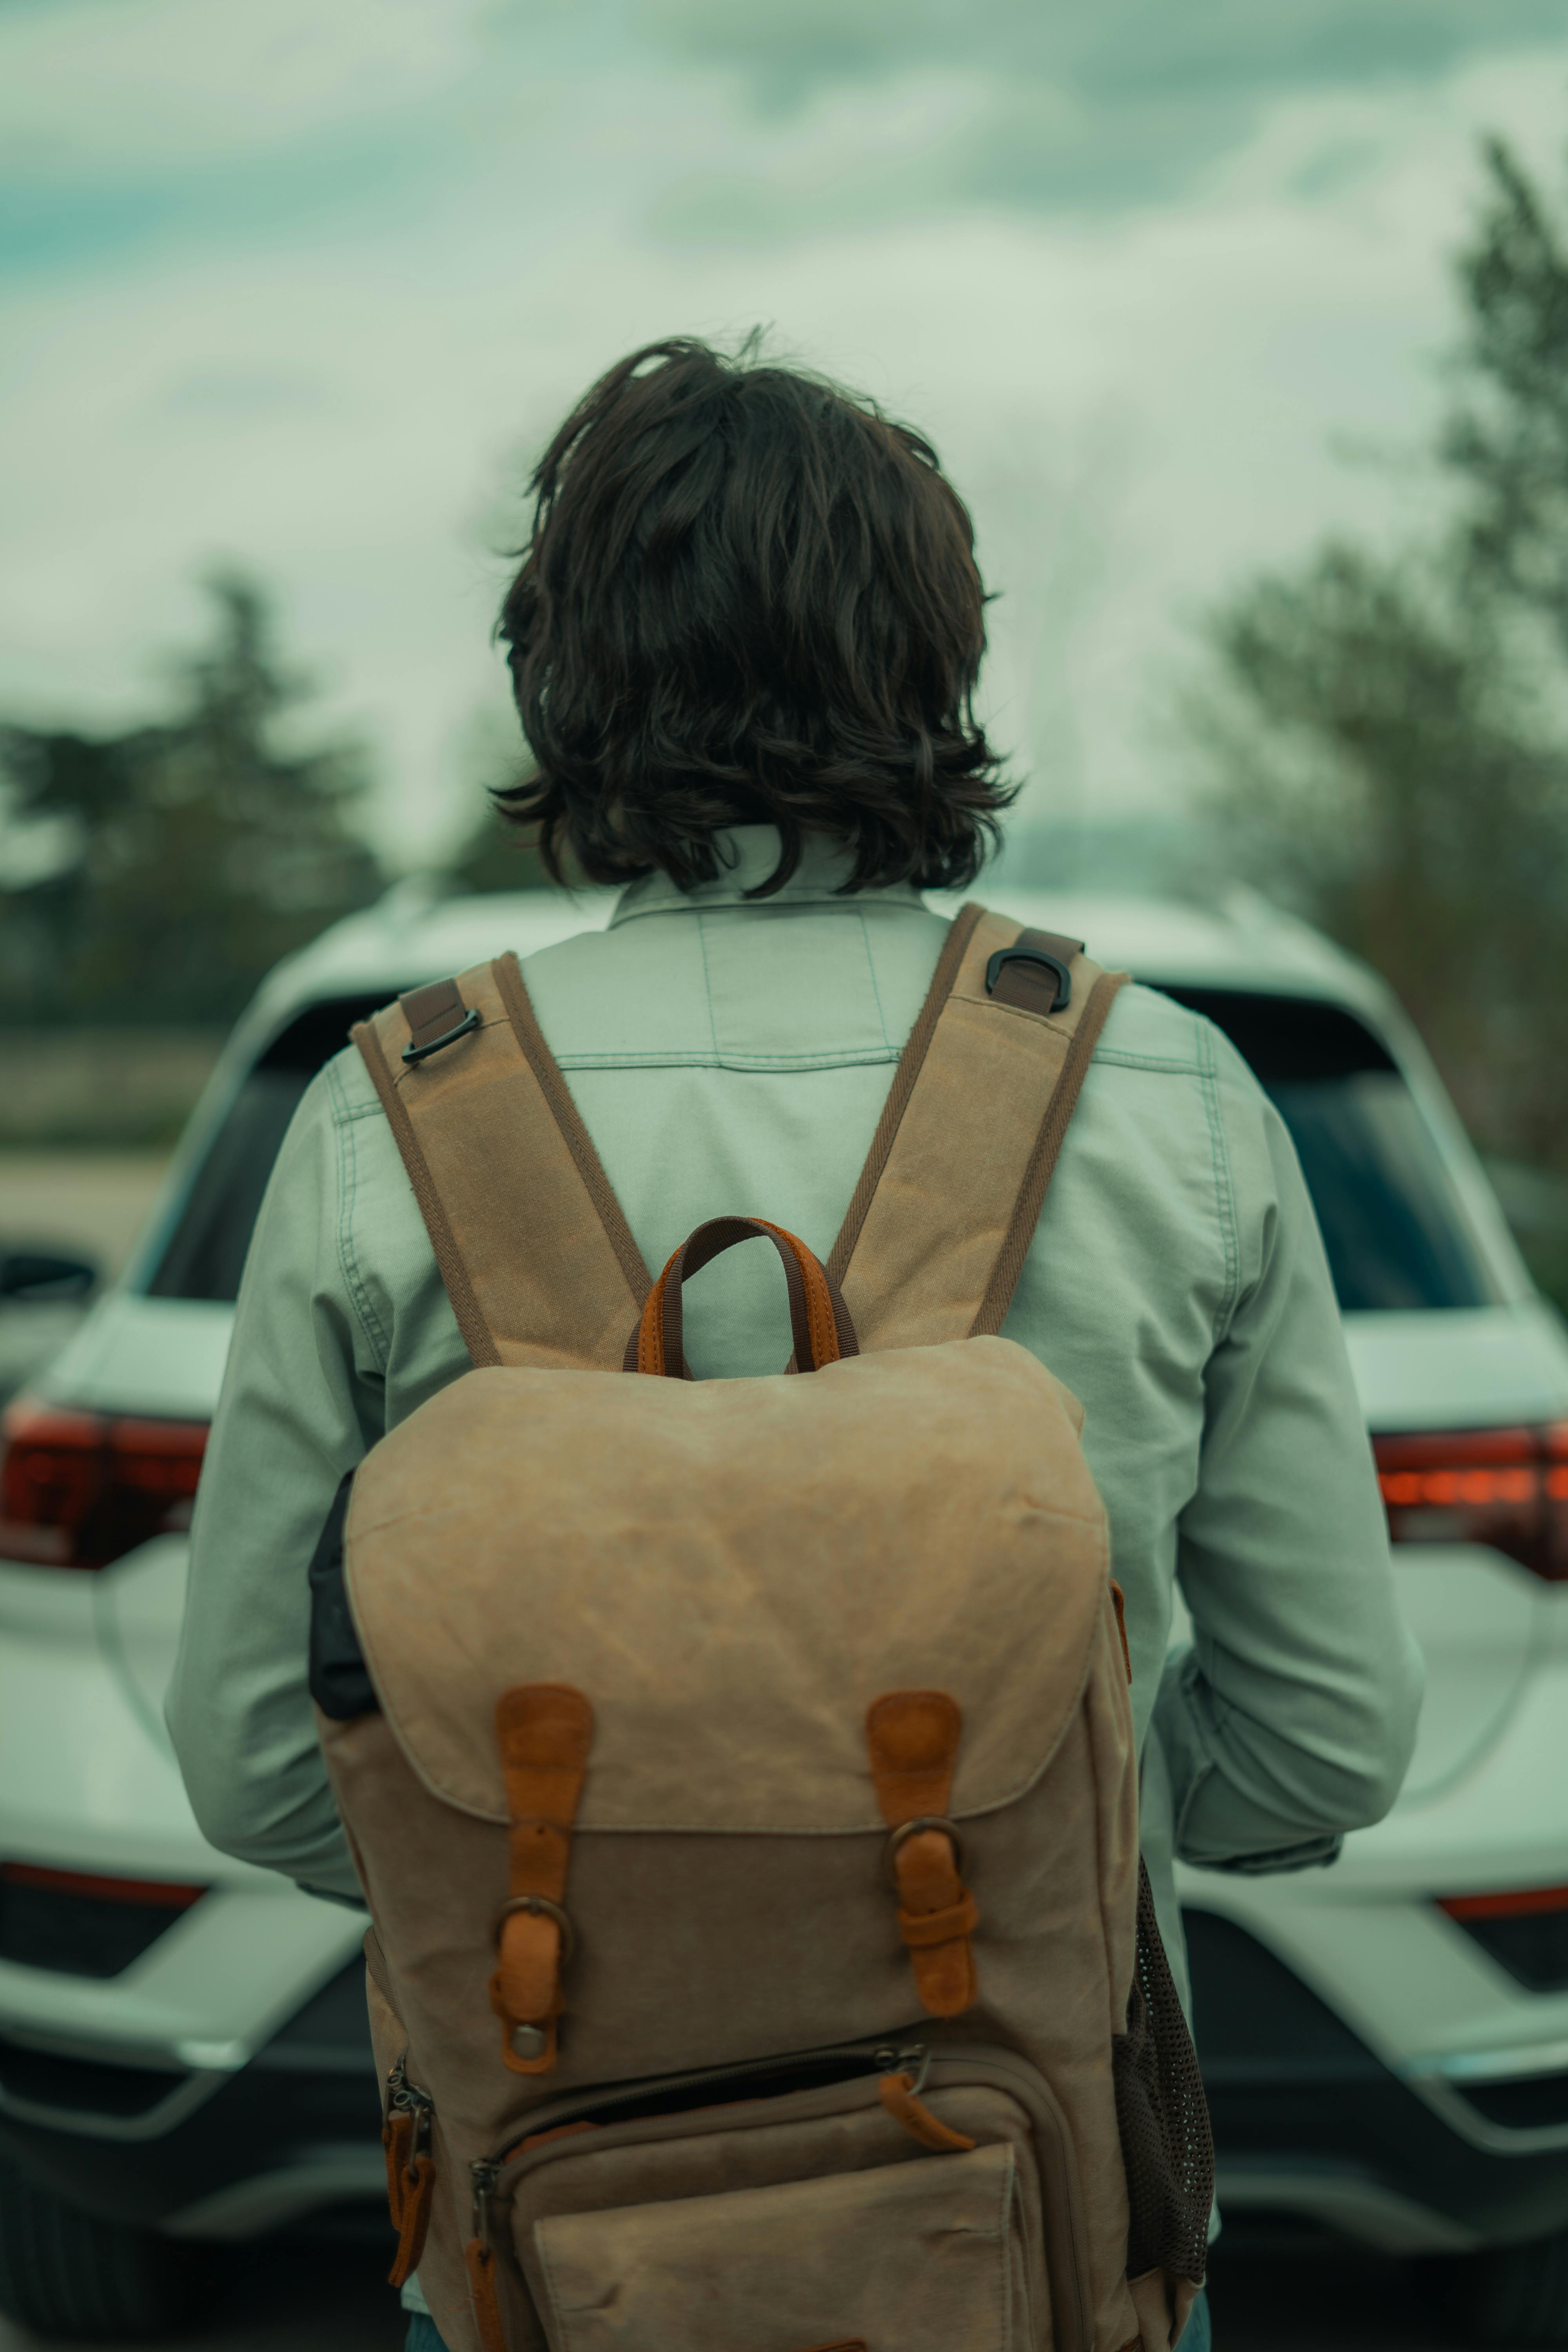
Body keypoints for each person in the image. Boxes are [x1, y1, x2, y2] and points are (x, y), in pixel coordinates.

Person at [168, 336, 1425, 2351]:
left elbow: (254, 1768)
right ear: (934, 659)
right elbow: (1321, 1740)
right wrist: (1053, 1815)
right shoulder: (1161, 1092)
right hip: (1043, 2229)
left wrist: (595, 1871)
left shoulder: (389, 1115)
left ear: (565, 672)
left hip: (543, 2233)